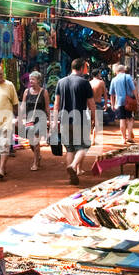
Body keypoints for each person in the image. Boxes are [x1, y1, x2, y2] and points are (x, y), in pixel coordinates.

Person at [52, 57, 95, 185]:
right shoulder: (84, 83)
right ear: (81, 68)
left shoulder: (61, 82)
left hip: (64, 119)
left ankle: (72, 175)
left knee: (70, 149)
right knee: (84, 146)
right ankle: (74, 165)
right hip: (80, 120)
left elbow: (56, 104)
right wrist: (94, 119)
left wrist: (55, 121)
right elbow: (91, 104)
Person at [19, 70, 49, 172]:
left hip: (41, 119)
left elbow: (47, 108)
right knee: (31, 142)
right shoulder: (26, 92)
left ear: (38, 81)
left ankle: (35, 163)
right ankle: (38, 155)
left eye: (33, 79)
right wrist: (20, 117)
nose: (31, 81)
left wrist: (50, 120)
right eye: (30, 79)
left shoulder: (44, 92)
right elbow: (23, 105)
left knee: (36, 142)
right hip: (29, 119)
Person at [108, 62, 137, 143]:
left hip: (119, 102)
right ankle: (129, 137)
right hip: (128, 102)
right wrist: (137, 99)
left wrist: (113, 104)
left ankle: (123, 138)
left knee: (122, 120)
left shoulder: (114, 79)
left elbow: (112, 94)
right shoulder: (128, 77)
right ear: (123, 70)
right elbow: (133, 89)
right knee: (130, 119)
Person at [89, 70, 108, 142]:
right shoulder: (101, 83)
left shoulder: (89, 83)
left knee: (90, 122)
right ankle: (93, 139)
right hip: (98, 104)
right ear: (98, 74)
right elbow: (105, 95)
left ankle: (90, 138)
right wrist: (106, 104)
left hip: (89, 104)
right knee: (97, 123)